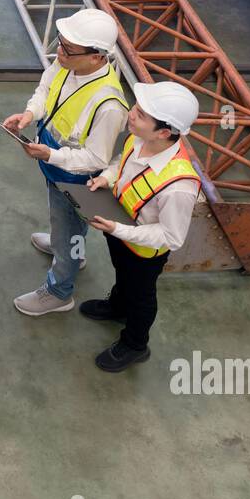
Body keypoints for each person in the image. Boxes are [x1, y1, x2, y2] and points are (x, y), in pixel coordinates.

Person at [2, 8, 129, 316]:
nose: (59, 51)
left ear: (97, 57)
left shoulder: (109, 104)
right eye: (60, 43)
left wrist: (51, 155)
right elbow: (45, 91)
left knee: (69, 225)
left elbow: (95, 159)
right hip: (53, 164)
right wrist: (30, 114)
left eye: (68, 49)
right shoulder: (66, 64)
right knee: (65, 224)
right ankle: (68, 246)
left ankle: (60, 291)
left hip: (75, 178)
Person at [82, 81, 202, 372]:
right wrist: (107, 178)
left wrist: (119, 230)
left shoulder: (179, 185)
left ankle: (135, 344)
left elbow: (171, 235)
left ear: (164, 132)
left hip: (144, 252)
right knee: (122, 276)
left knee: (141, 295)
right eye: (135, 108)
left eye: (141, 114)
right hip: (118, 229)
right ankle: (118, 307)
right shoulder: (137, 139)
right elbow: (120, 164)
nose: (131, 114)